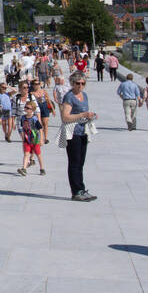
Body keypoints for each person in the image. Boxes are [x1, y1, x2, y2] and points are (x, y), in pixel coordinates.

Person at [60, 72, 99, 201]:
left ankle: (81, 189)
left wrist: (90, 115)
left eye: (83, 83)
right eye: (78, 83)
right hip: (73, 133)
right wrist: (83, 115)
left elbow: (84, 113)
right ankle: (76, 191)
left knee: (81, 162)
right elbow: (65, 117)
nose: (81, 86)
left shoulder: (84, 95)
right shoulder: (69, 97)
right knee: (74, 162)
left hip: (83, 131)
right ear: (72, 83)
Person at [15, 87, 46, 176]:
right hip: (27, 140)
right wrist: (23, 138)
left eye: (28, 108)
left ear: (32, 110)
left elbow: (40, 129)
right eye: (25, 107)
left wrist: (41, 139)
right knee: (26, 154)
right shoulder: (23, 118)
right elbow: (23, 128)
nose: (26, 109)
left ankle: (42, 168)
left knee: (38, 154)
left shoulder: (35, 119)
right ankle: (24, 169)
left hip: (35, 139)